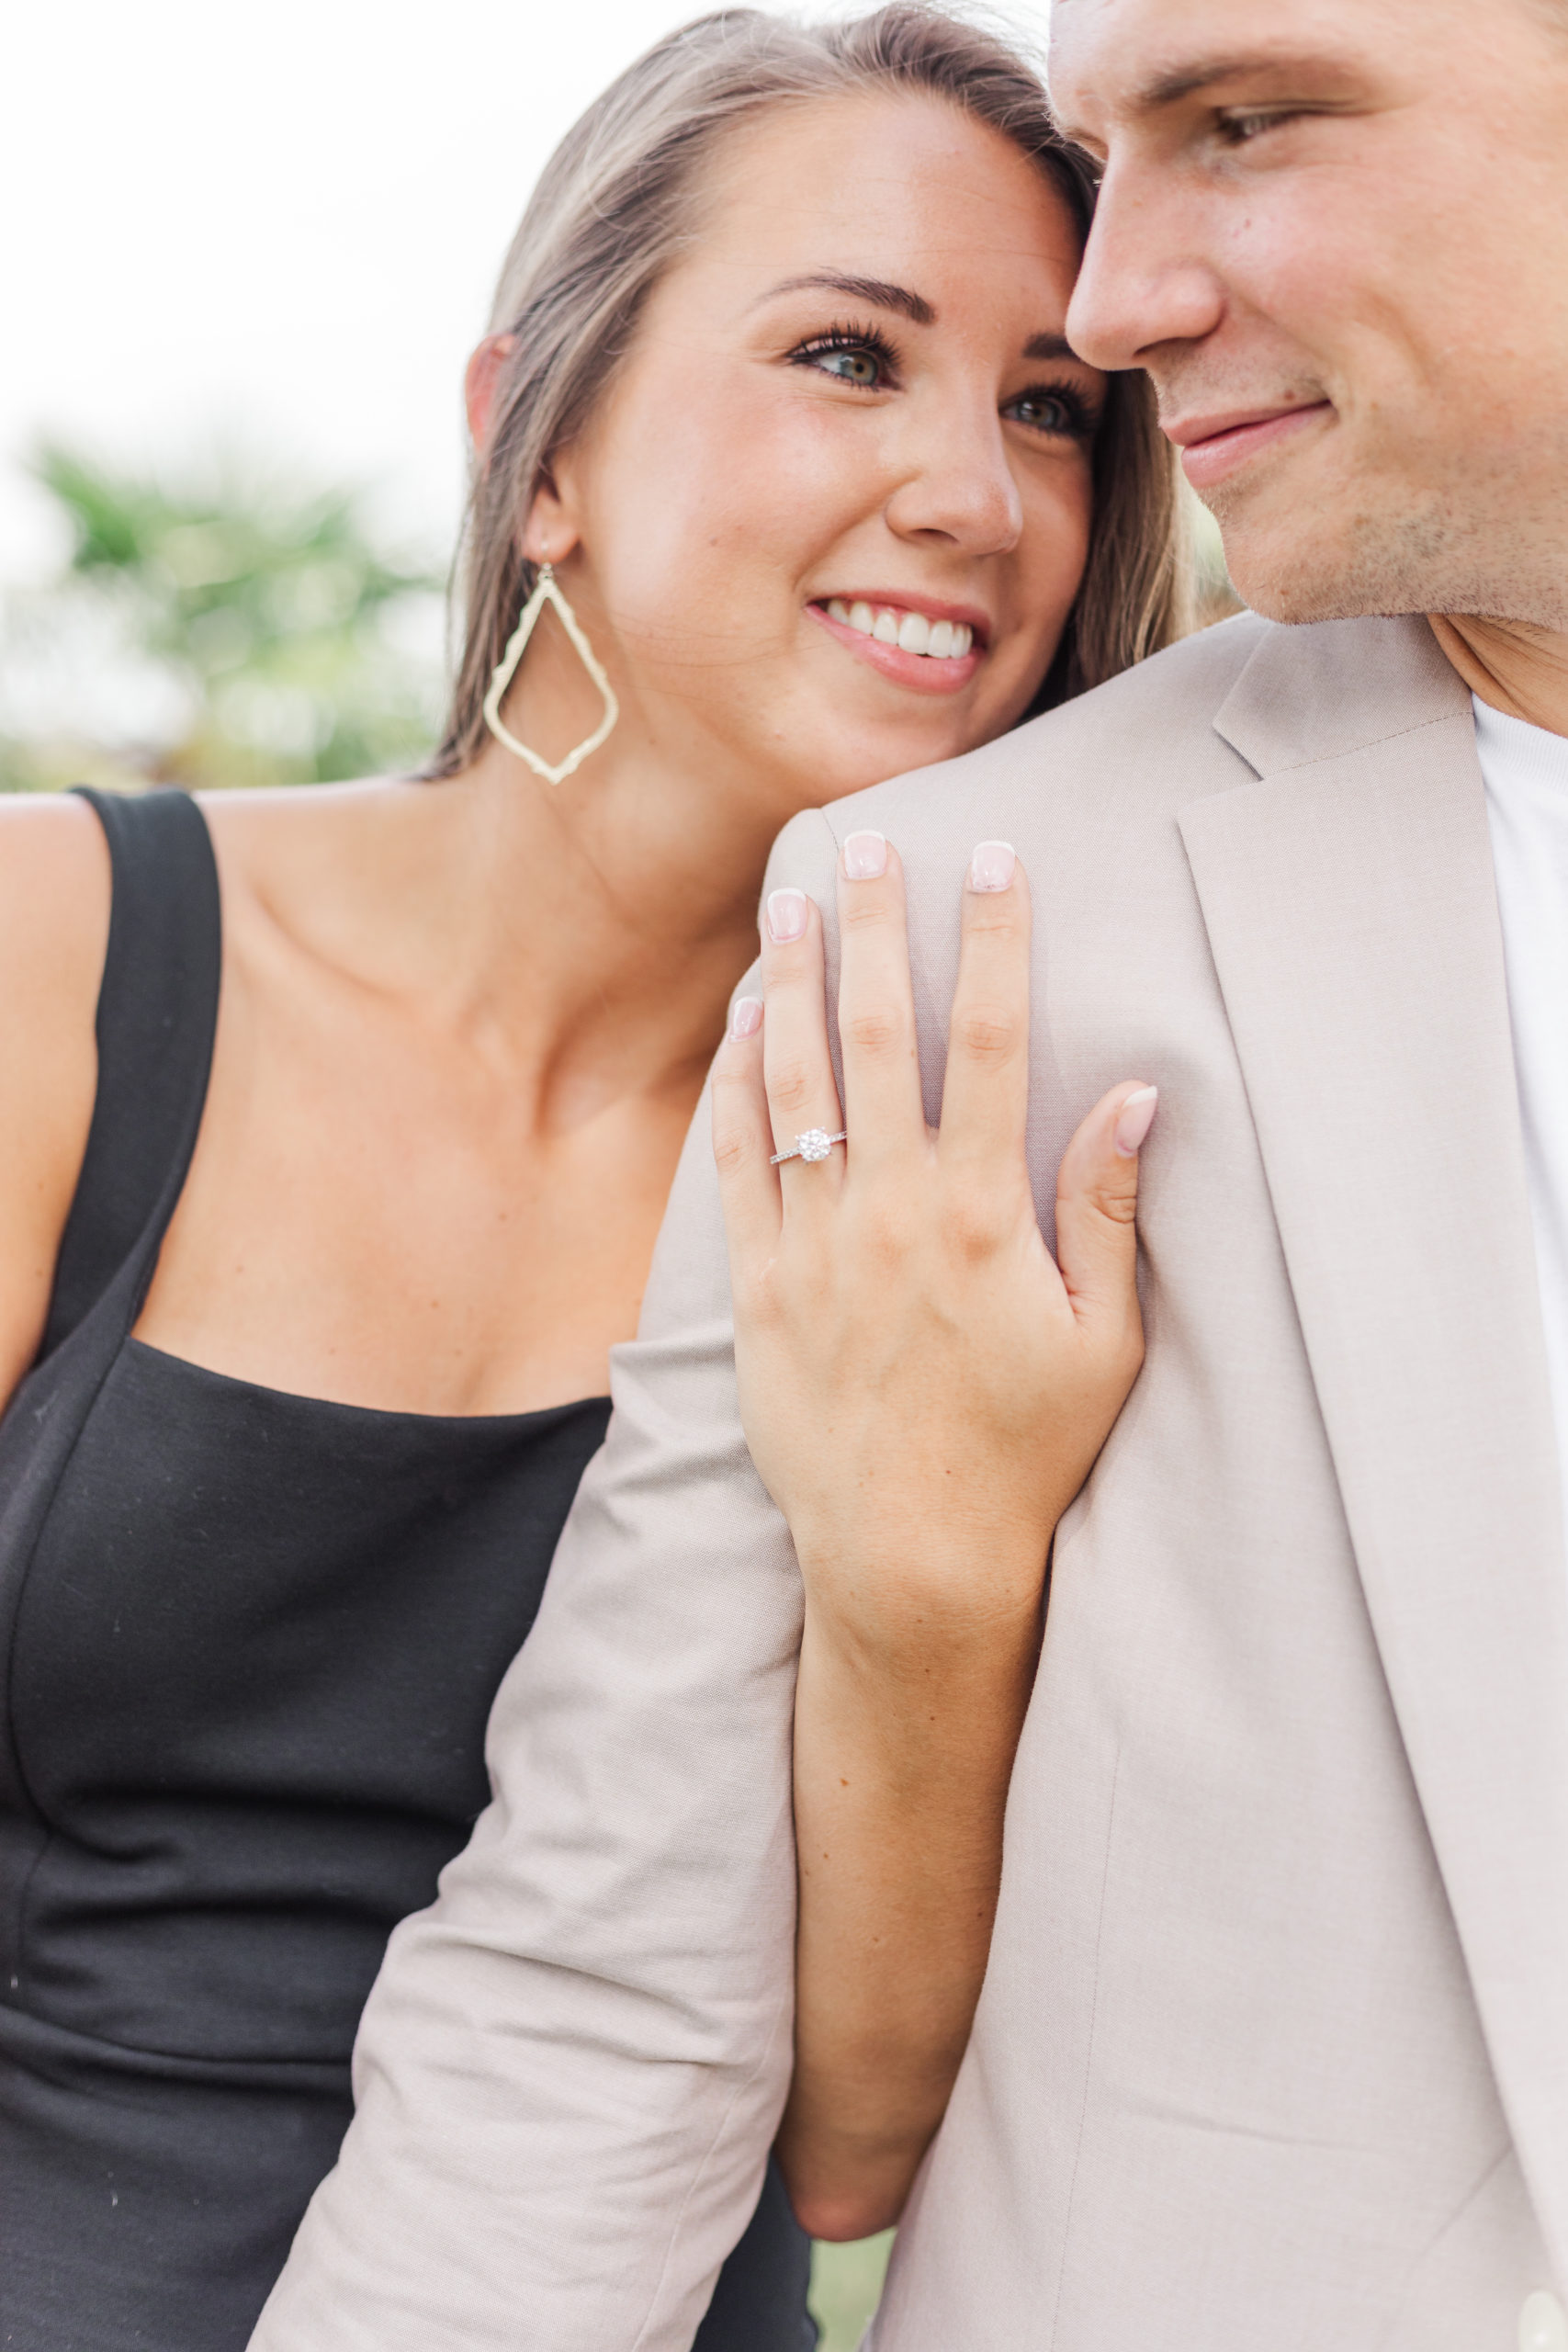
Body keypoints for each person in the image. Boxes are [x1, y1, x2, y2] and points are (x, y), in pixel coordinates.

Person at [254, 0, 1568, 2346]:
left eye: (1243, 122)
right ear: (532, 442)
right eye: (844, 356)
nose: (1111, 306)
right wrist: (914, 1573)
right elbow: (608, 2001)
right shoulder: (948, 926)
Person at [0, 8, 1187, 2349]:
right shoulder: (60, 957)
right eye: (848, 355)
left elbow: (851, 2127)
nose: (975, 493)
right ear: (531, 444)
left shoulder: (994, 1157)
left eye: (1051, 408)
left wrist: (928, 1575)